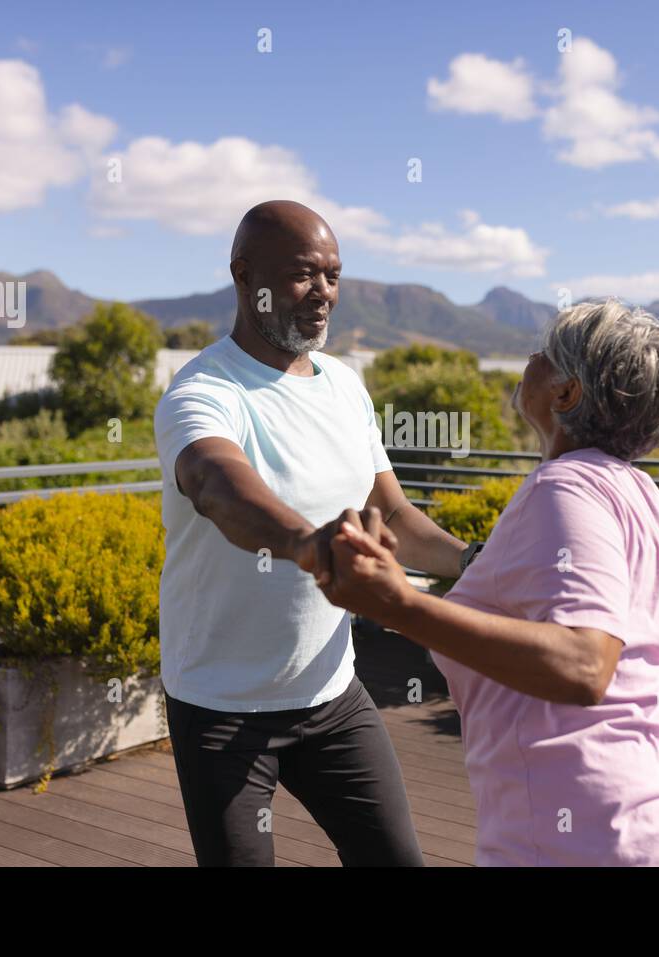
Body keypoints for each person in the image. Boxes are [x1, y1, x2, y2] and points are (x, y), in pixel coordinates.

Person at [318, 298, 659, 866]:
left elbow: (585, 664)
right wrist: (474, 565)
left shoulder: (564, 489)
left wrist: (397, 604)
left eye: (546, 353)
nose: (530, 356)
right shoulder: (635, 489)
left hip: (600, 842)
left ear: (566, 394)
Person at [153, 199, 472, 866]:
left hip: (332, 695)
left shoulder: (345, 386)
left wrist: (477, 564)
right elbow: (219, 487)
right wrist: (310, 544)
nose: (323, 293)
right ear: (244, 276)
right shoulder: (203, 391)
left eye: (332, 275)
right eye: (303, 274)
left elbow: (395, 515)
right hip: (222, 710)